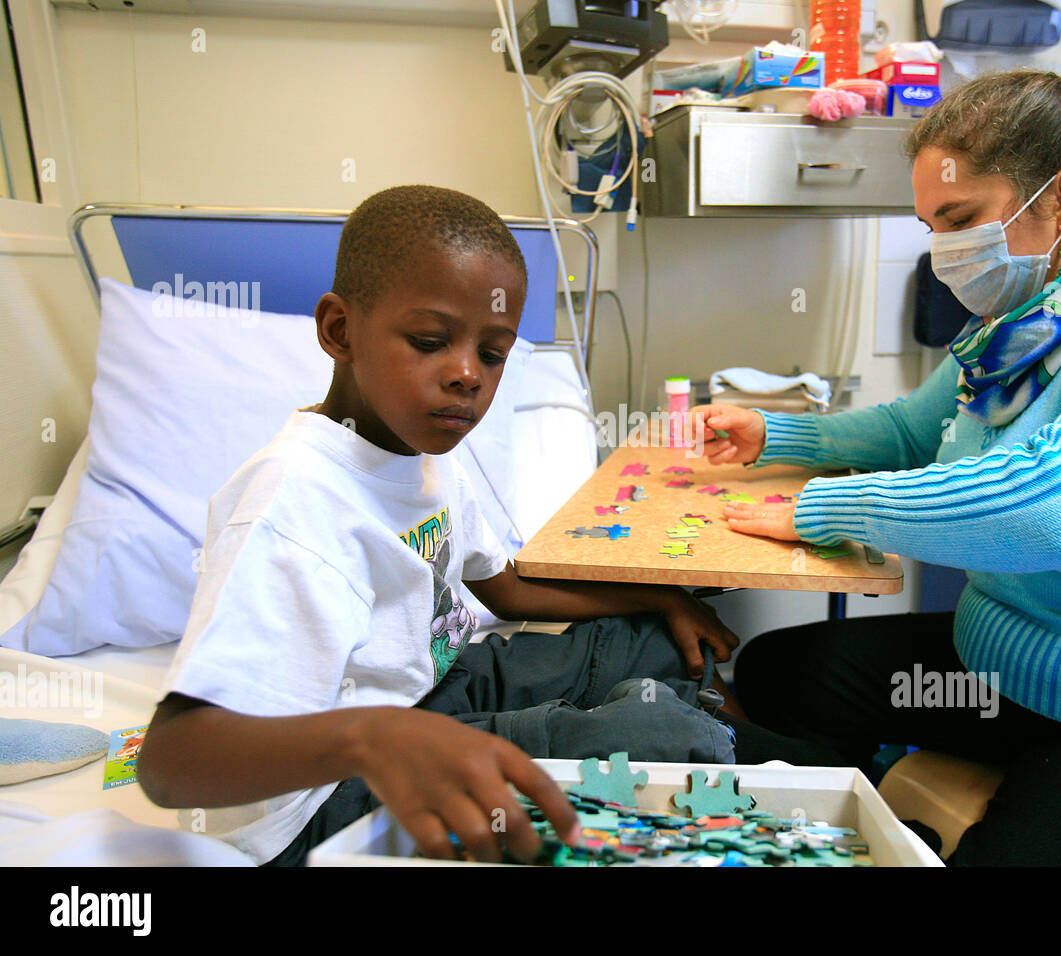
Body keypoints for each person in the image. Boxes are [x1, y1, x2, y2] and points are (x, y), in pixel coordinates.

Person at [690, 42, 1061, 866]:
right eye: (930, 226)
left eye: (961, 219)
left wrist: (819, 508)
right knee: (777, 676)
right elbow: (913, 430)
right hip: (1009, 679)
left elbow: (1055, 511)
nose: (944, 251)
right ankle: (900, 813)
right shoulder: (1022, 331)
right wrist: (779, 436)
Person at [136, 184, 760, 867]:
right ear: (340, 331)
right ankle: (728, 751)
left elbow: (508, 590)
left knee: (647, 639)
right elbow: (169, 761)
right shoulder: (292, 504)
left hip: (424, 700)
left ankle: (684, 716)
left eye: (492, 354)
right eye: (431, 341)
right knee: (660, 737)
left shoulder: (422, 457)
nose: (467, 375)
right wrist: (371, 739)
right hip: (316, 805)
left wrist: (661, 597)